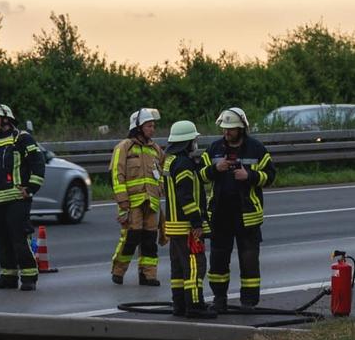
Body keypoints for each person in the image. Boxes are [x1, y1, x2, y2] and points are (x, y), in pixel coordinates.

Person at [200, 107, 276, 311]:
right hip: (220, 215)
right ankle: (219, 299)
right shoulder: (214, 149)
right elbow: (201, 175)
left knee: (249, 260)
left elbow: (270, 176)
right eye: (224, 128)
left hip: (247, 215)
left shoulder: (256, 149)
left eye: (231, 129)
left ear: (241, 128)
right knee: (218, 261)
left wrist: (249, 176)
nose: (226, 132)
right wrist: (215, 169)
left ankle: (248, 302)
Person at [0, 102, 46, 291]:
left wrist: (31, 187)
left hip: (17, 200)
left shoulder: (22, 139)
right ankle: (8, 276)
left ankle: (29, 276)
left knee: (19, 238)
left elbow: (38, 163)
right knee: (1, 241)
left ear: (6, 119)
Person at [162, 120, 217, 318]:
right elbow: (186, 197)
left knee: (178, 268)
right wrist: (196, 223)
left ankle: (179, 305)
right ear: (187, 142)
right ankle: (195, 305)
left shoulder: (170, 161)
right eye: (194, 140)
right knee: (195, 266)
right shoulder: (184, 164)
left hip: (174, 226)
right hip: (187, 227)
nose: (195, 143)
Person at [109, 108, 165, 286]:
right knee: (131, 238)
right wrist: (122, 200)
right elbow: (117, 175)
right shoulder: (124, 147)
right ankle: (118, 271)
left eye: (153, 126)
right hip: (132, 203)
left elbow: (162, 172)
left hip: (152, 203)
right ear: (138, 127)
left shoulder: (156, 149)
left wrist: (160, 188)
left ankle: (148, 275)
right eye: (149, 126)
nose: (152, 129)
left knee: (150, 240)